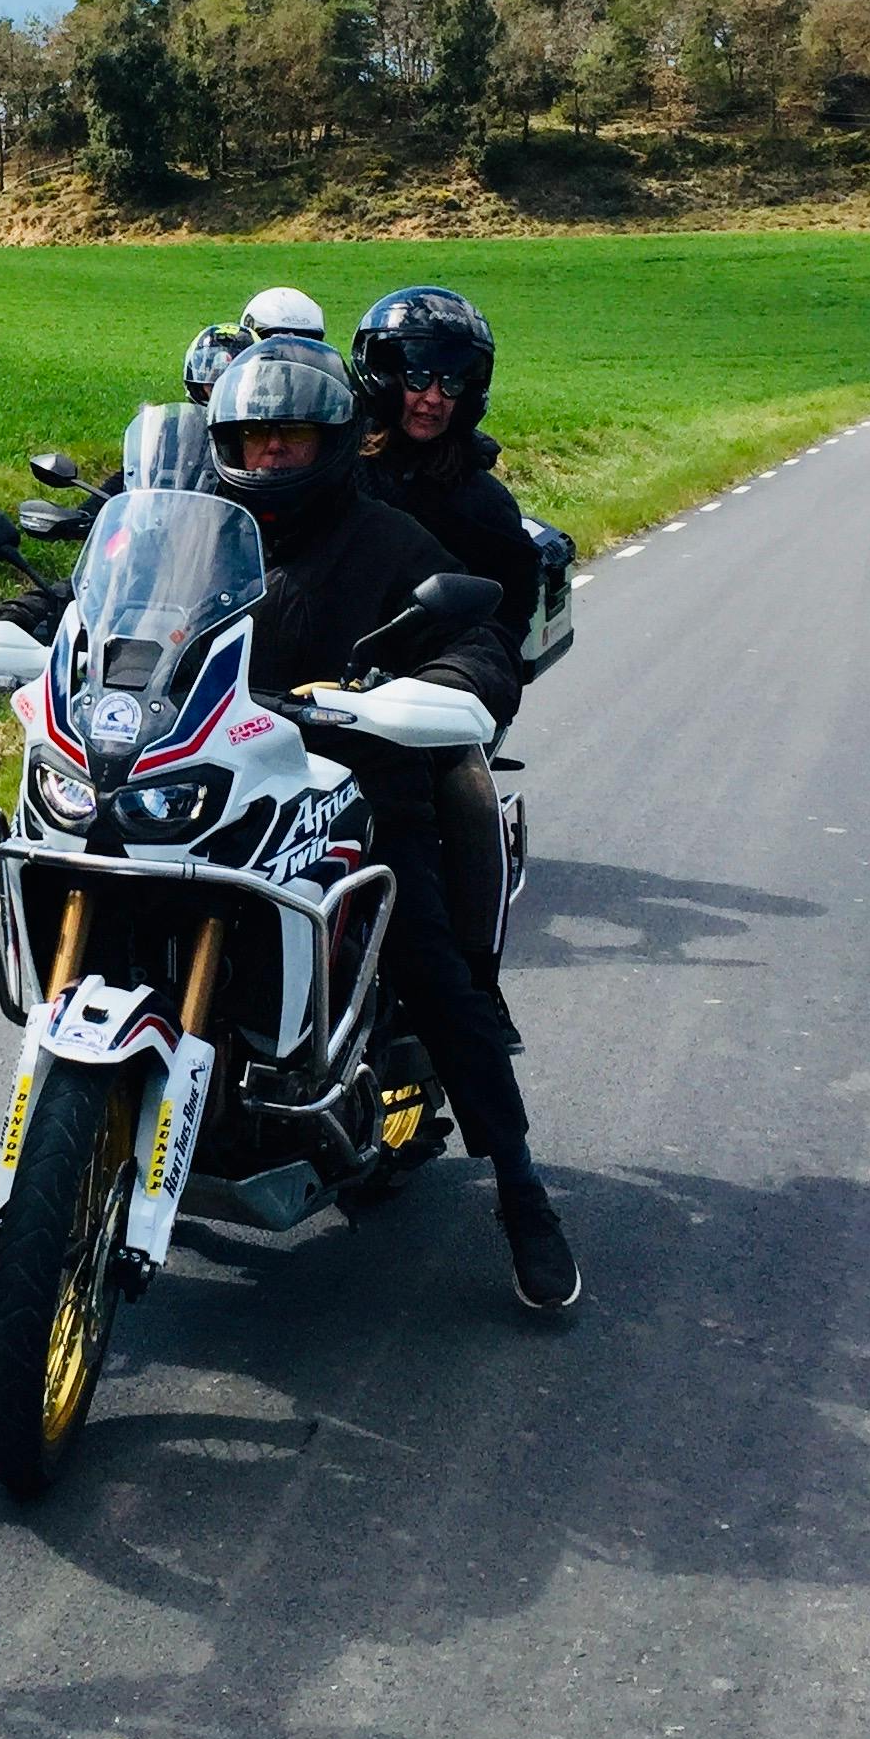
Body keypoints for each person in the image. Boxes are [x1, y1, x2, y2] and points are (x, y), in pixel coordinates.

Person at [204, 338, 580, 1312]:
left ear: (331, 443)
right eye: (254, 439)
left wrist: (449, 686)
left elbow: (482, 635)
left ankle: (522, 1195)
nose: (271, 458)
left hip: (357, 795)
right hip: (219, 789)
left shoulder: (388, 542)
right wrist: (45, 620)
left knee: (428, 964)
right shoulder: (208, 537)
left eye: (291, 441)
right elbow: (110, 602)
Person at [350, 286, 542, 1045]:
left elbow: (507, 621)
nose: (432, 398)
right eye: (418, 376)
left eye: (453, 382)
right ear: (379, 375)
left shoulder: (480, 504)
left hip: (421, 705)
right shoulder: (334, 465)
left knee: (466, 792)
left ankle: (475, 990)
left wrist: (456, 684)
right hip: (311, 684)